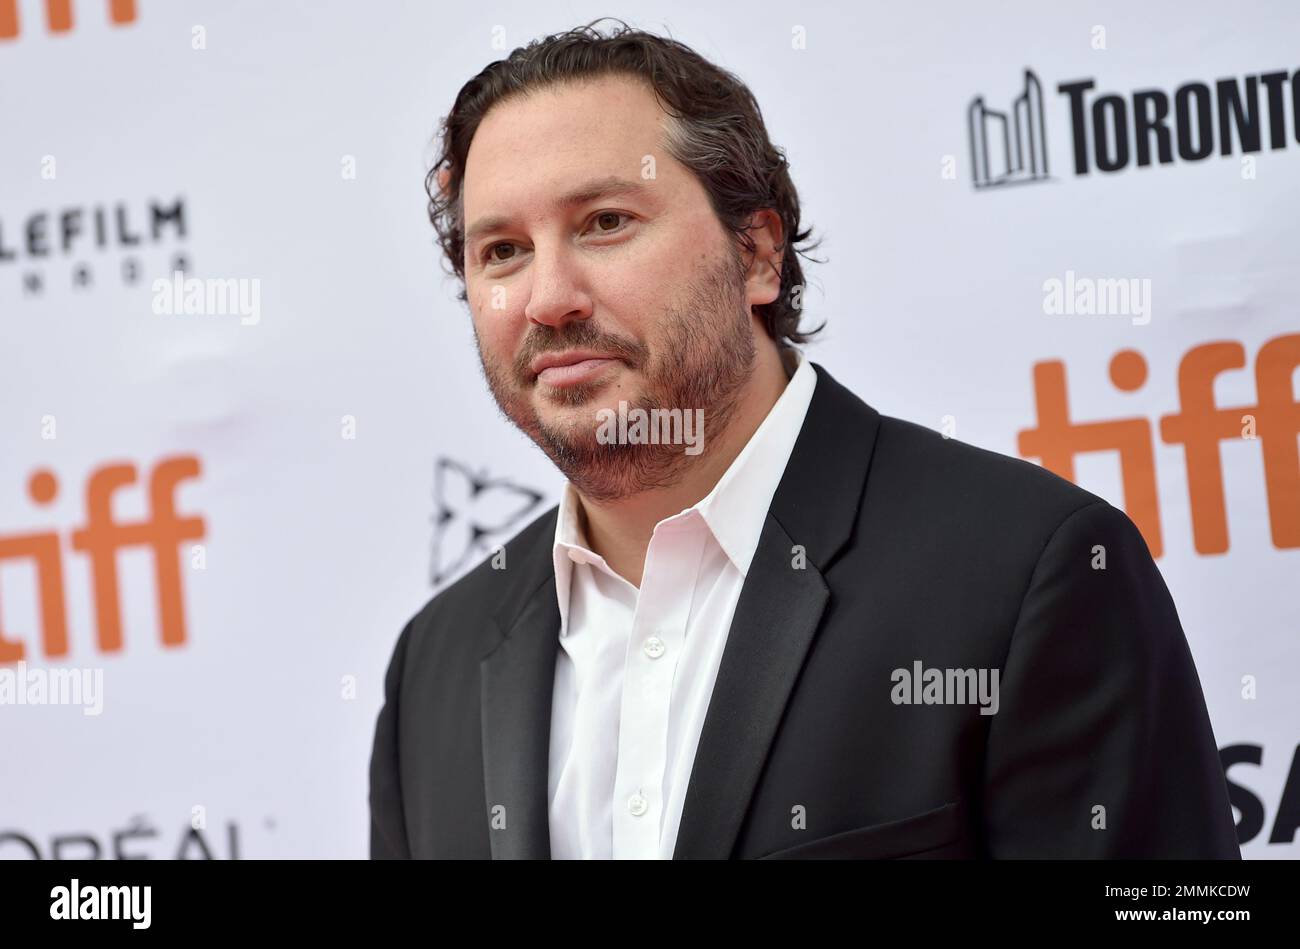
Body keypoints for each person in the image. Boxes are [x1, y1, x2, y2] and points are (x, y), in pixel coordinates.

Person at [368, 19, 1240, 859]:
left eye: (605, 222)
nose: (549, 297)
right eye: (503, 250)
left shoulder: (1030, 574)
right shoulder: (433, 667)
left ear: (757, 254)